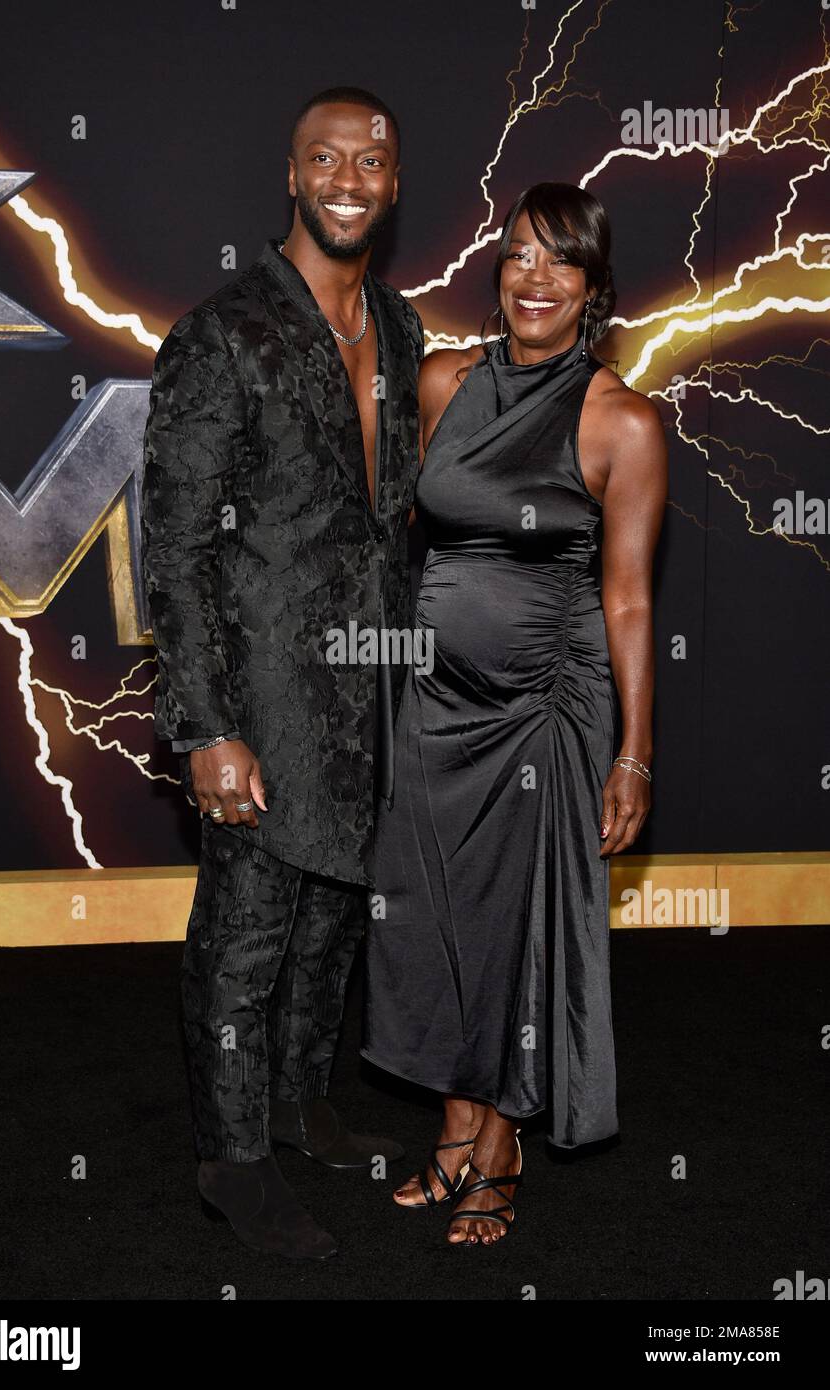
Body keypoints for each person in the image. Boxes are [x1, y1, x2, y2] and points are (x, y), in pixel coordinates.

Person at [141, 87, 423, 1261]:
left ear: (393, 184)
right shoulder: (223, 333)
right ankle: (232, 1160)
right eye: (326, 157)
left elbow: (388, 518)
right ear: (292, 177)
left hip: (372, 689)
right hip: (258, 697)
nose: (348, 176)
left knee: (333, 922)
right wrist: (206, 724)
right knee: (246, 939)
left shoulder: (400, 328)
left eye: (370, 159)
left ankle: (305, 1102)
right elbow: (176, 545)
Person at [361, 183, 667, 1247]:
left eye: (561, 261)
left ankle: (493, 1148)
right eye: (519, 256)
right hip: (432, 703)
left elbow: (627, 596)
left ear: (593, 287)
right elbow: (385, 531)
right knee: (430, 917)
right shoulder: (444, 382)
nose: (535, 278)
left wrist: (632, 754)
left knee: (510, 930)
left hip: (545, 707)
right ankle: (457, 1126)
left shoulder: (620, 419)